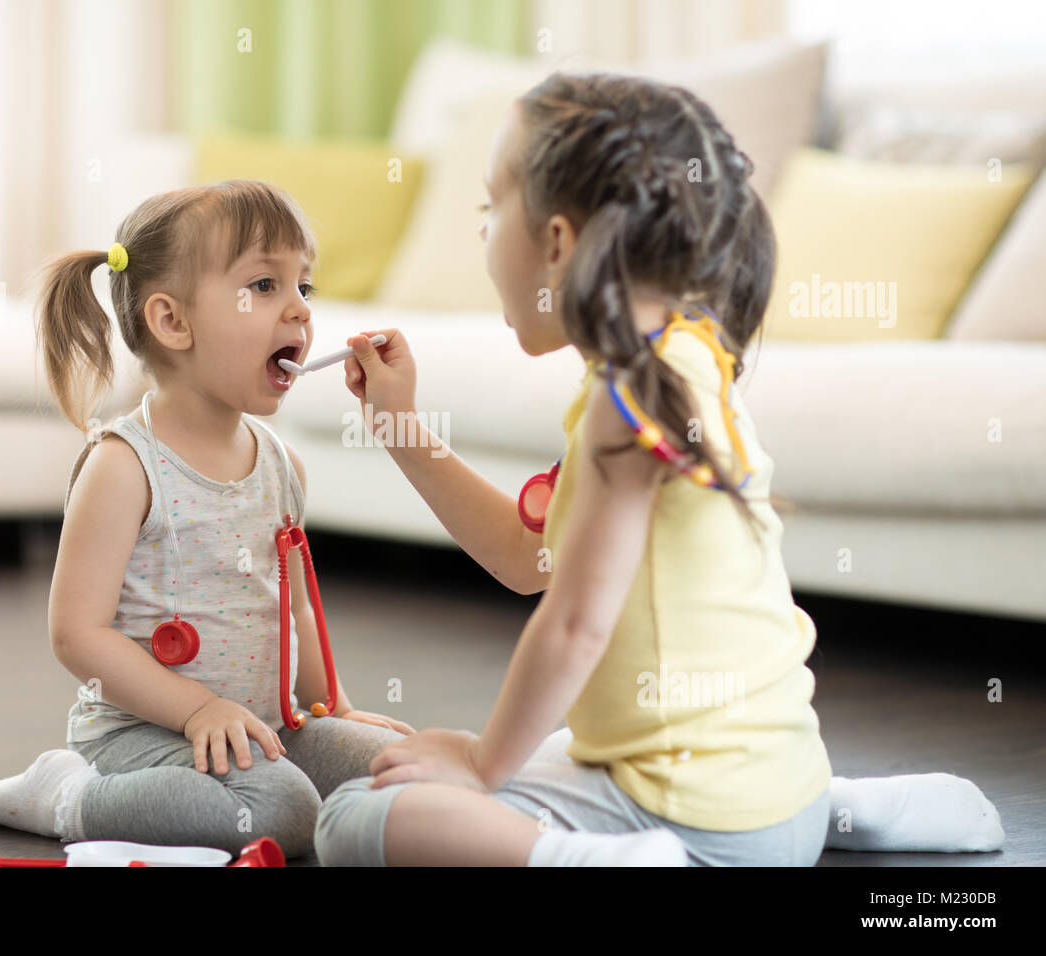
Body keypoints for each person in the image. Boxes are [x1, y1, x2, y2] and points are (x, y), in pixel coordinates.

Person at [312, 72, 1006, 866]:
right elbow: (524, 554)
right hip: (767, 791)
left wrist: (481, 764)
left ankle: (610, 862)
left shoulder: (627, 399)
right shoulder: (682, 360)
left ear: (558, 243)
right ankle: (837, 809)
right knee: (551, 747)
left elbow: (573, 625)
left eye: (487, 209)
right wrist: (401, 426)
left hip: (701, 827)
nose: (478, 236)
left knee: (354, 819)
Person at [0, 181, 411, 859]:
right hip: (142, 733)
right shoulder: (123, 466)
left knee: (403, 769)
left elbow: (299, 612)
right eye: (264, 285)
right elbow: (76, 635)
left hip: (265, 723)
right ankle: (64, 794)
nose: (298, 312)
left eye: (304, 288)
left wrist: (338, 709)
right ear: (172, 322)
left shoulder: (281, 463)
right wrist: (195, 710)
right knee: (283, 810)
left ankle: (303, 776)